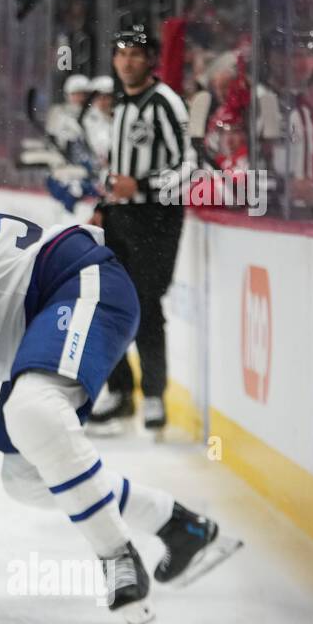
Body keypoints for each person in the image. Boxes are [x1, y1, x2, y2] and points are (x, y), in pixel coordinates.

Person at [0, 203, 239, 624]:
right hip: (43, 317)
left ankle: (115, 554)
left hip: (78, 284)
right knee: (25, 479)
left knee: (32, 411)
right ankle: (180, 527)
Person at [90, 26, 194, 433]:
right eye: (121, 54)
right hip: (121, 217)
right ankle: (120, 393)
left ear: (150, 58)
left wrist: (145, 186)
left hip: (157, 218)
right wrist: (104, 204)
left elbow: (190, 165)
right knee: (110, 302)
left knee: (145, 304)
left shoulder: (166, 103)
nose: (127, 61)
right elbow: (119, 167)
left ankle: (153, 396)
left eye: (135, 53)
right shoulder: (121, 104)